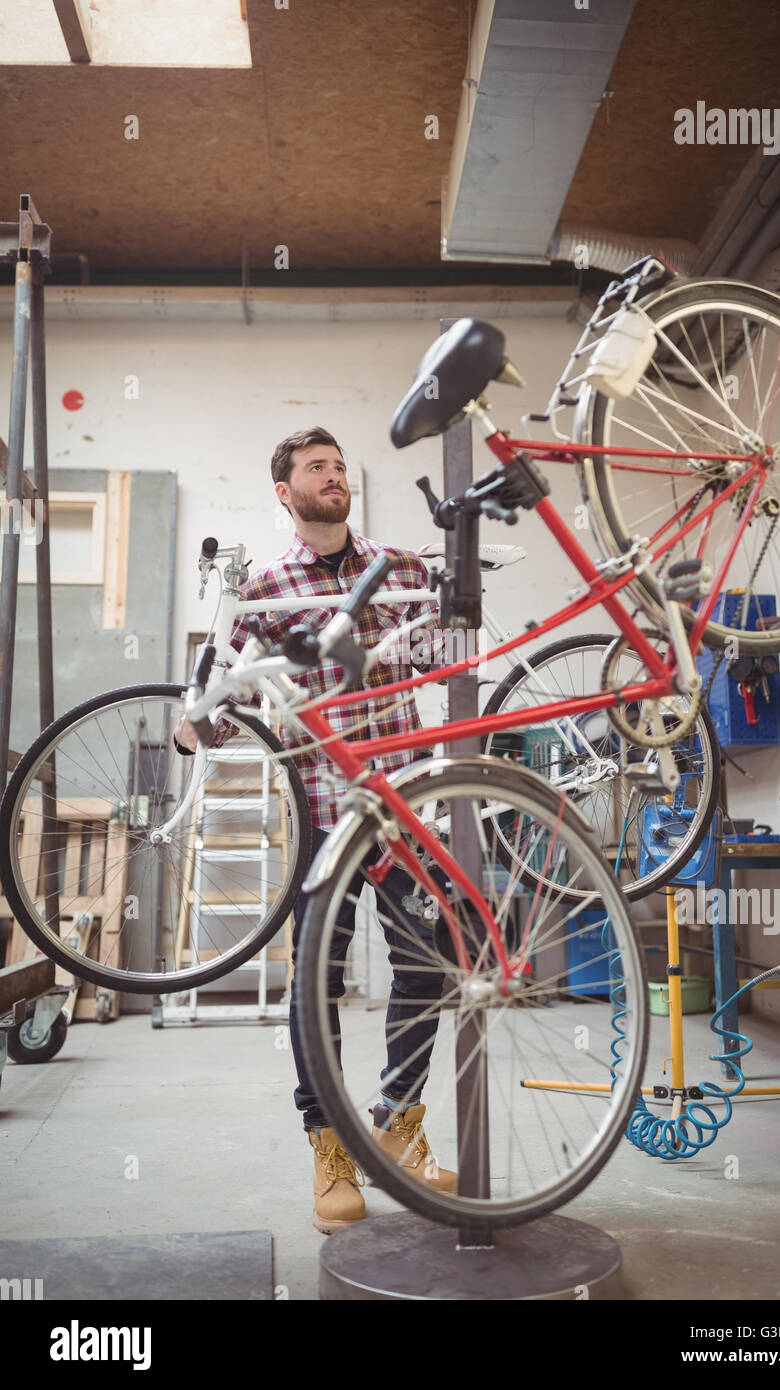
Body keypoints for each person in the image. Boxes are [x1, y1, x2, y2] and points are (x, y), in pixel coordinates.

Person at [176, 426, 457, 1233]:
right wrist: (197, 727)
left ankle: (398, 1126)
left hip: (402, 810)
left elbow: (450, 657)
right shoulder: (265, 588)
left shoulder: (397, 569)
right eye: (315, 469)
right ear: (284, 491)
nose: (333, 478)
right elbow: (225, 694)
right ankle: (328, 1147)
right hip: (320, 821)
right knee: (316, 992)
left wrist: (460, 600)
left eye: (338, 466)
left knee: (424, 969)